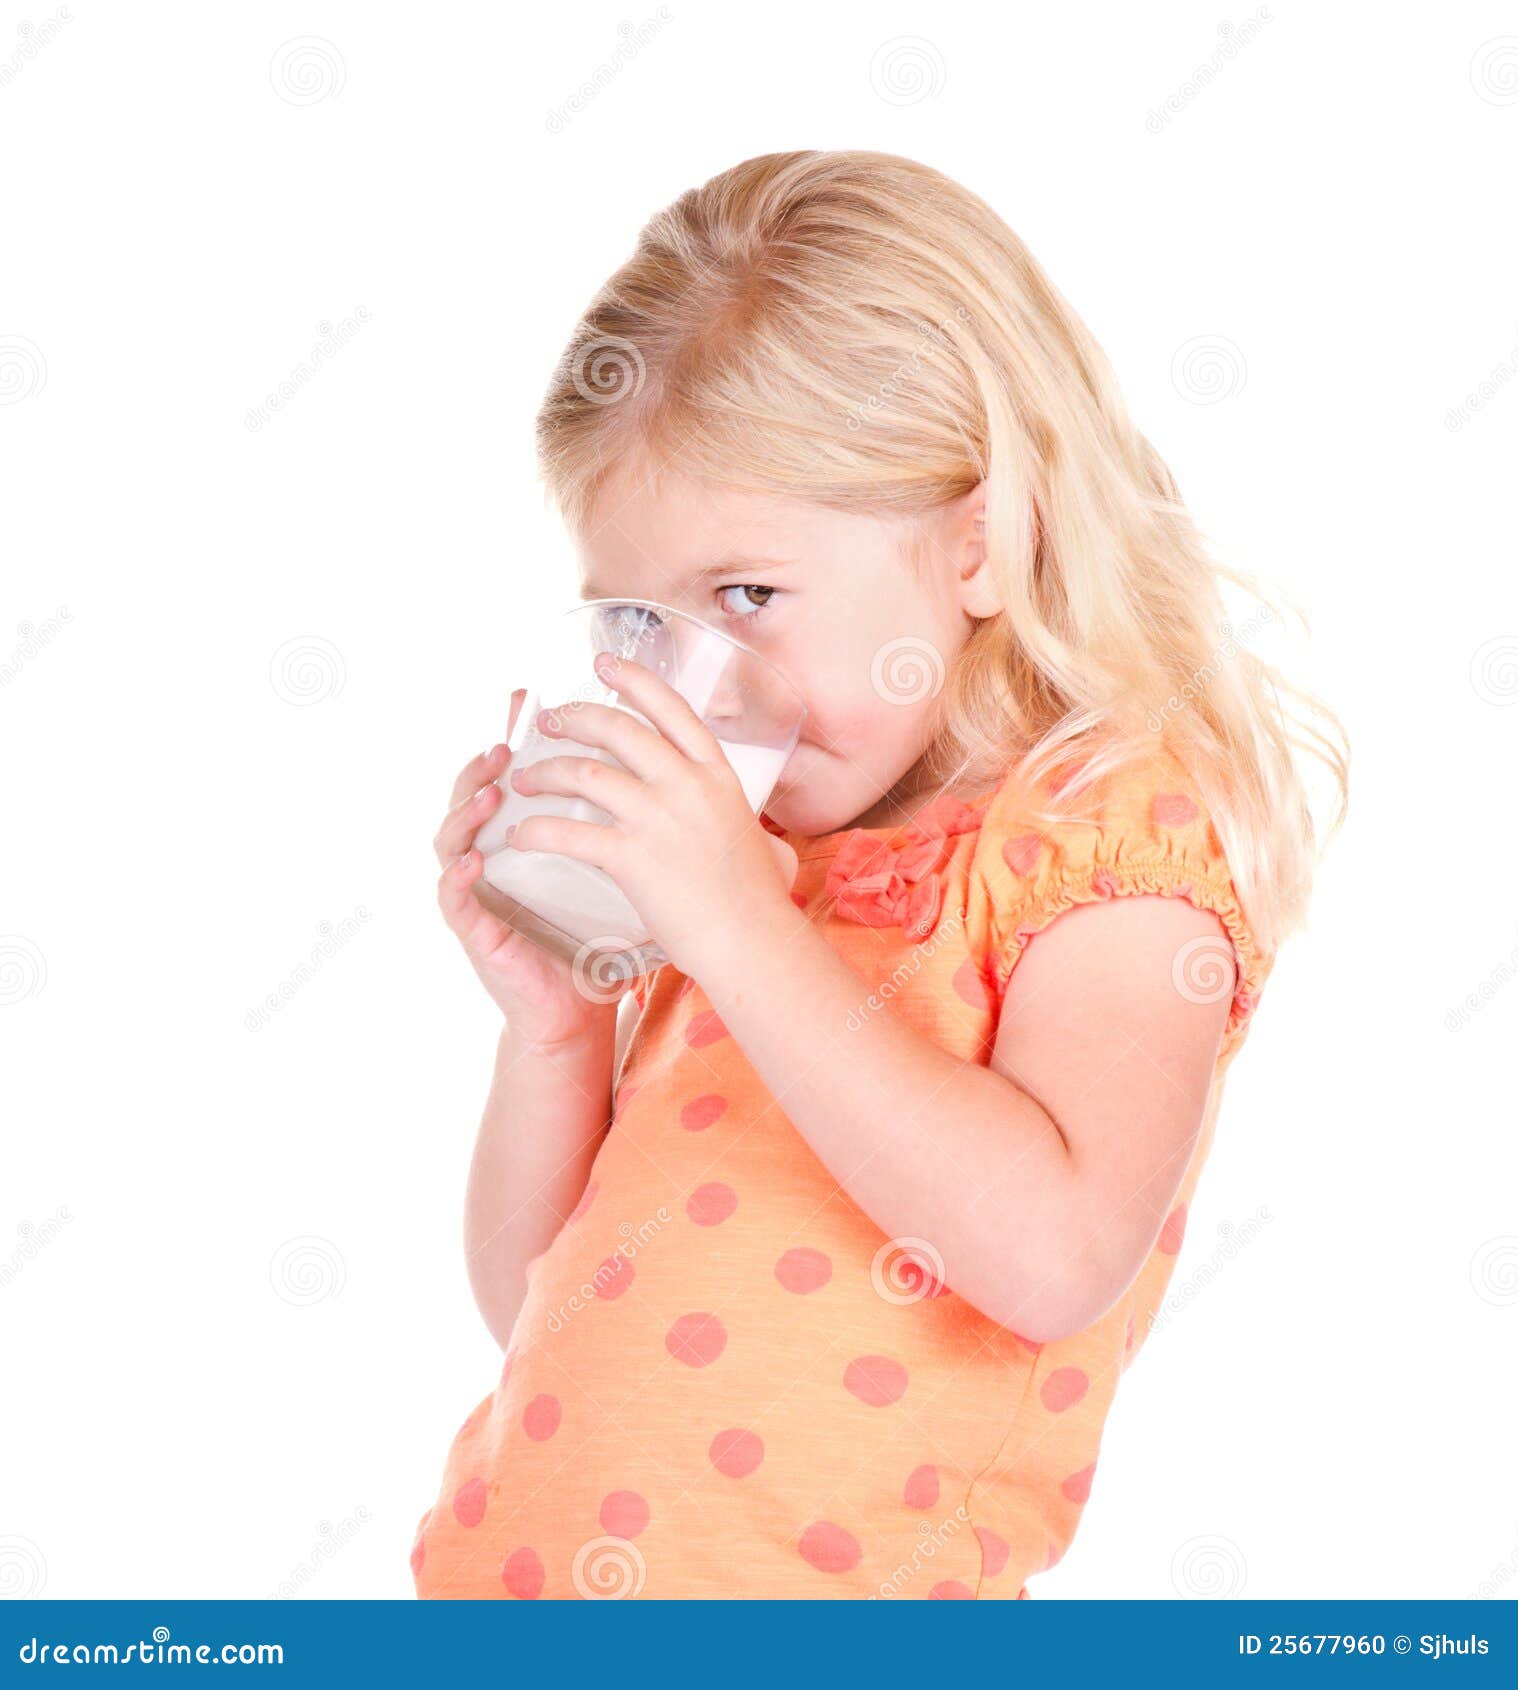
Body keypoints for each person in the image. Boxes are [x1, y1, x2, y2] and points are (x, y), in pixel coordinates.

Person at [411, 149, 1347, 1599]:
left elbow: (1052, 1253)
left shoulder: (1100, 835)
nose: (699, 679)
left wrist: (734, 926)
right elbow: (536, 1305)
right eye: (637, 623)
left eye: (748, 594)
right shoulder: (761, 861)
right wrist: (556, 1026)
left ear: (979, 544)